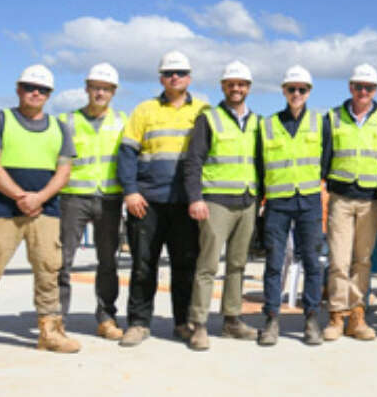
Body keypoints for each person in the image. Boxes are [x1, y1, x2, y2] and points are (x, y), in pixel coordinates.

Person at [0, 64, 80, 366]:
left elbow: (64, 171)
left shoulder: (59, 128)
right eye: (30, 87)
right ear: (18, 88)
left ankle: (50, 332)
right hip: (2, 210)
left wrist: (39, 197)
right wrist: (20, 197)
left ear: (50, 94)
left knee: (49, 271)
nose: (36, 93)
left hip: (46, 210)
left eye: (43, 90)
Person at [117, 51, 210, 347]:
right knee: (144, 265)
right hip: (148, 202)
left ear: (189, 77)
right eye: (169, 73)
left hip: (186, 203)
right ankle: (139, 323)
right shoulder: (144, 110)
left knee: (186, 265)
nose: (175, 77)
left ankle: (183, 323)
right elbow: (127, 152)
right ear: (160, 78)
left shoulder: (203, 111)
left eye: (180, 73)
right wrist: (130, 191)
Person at [183, 60, 263, 350]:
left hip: (247, 200)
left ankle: (232, 320)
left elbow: (260, 163)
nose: (236, 88)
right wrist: (196, 198)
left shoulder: (257, 122)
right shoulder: (209, 119)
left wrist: (260, 198)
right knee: (207, 265)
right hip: (216, 201)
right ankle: (199, 324)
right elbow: (194, 161)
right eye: (231, 83)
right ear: (223, 86)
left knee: (238, 264)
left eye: (241, 84)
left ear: (249, 88)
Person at [56, 63, 128, 341]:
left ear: (113, 91)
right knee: (62, 260)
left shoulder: (122, 121)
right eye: (96, 87)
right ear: (86, 88)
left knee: (108, 261)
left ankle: (106, 317)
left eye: (106, 88)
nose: (100, 92)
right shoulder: (67, 121)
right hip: (74, 197)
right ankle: (57, 318)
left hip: (109, 198)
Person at [258, 65, 329, 346]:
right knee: (275, 262)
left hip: (309, 200)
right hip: (277, 201)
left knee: (312, 261)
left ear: (309, 92)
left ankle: (311, 319)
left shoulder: (319, 122)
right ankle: (272, 319)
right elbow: (260, 162)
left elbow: (327, 159)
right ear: (284, 91)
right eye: (291, 89)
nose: (296, 93)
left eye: (302, 89)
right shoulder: (268, 125)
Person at [322, 63, 377, 341]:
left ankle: (357, 315)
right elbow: (324, 157)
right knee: (338, 259)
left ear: (375, 90)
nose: (363, 92)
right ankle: (337, 315)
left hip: (370, 200)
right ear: (350, 87)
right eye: (359, 86)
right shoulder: (333, 117)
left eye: (369, 87)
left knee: (362, 260)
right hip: (340, 198)